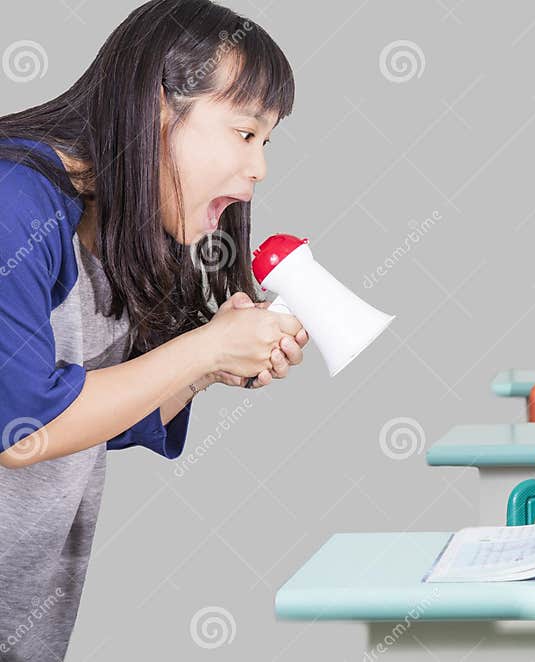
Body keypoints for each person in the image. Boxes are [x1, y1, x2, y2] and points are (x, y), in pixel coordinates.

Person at [0, 1, 308, 658]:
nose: (259, 170)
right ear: (157, 110)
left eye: (267, 143)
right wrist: (204, 345)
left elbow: (95, 415)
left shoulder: (113, 228)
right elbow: (26, 429)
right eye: (246, 133)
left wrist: (207, 367)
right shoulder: (12, 202)